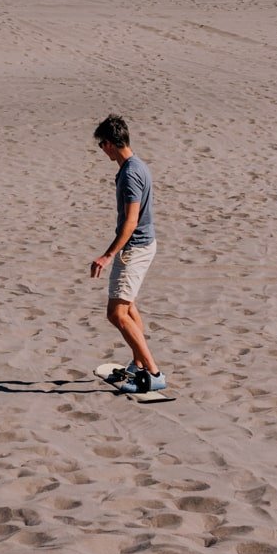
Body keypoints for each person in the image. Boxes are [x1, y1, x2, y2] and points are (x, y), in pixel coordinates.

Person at [90, 113, 166, 393]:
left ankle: (154, 373)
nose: (102, 151)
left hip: (134, 248)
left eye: (101, 145)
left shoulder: (131, 174)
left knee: (116, 313)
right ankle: (138, 363)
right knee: (129, 305)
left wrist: (107, 255)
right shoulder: (137, 166)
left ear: (109, 144)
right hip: (141, 245)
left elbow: (131, 221)